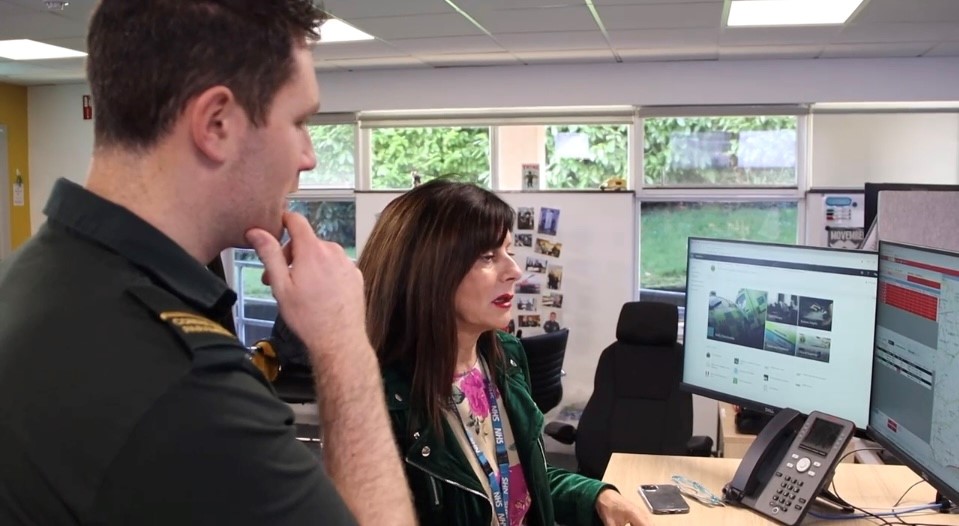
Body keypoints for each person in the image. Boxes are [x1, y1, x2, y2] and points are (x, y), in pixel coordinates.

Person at [0, 1, 413, 525]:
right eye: (300, 121)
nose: (308, 156)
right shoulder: (185, 386)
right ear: (216, 123)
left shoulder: (29, 278)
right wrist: (345, 345)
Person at [357, 180, 650, 526]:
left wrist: (598, 497)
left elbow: (520, 484)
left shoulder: (504, 357)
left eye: (509, 251)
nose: (514, 272)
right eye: (487, 257)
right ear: (428, 271)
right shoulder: (378, 396)